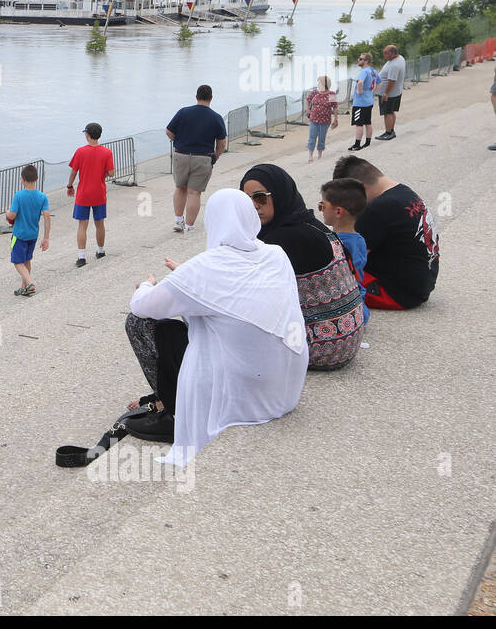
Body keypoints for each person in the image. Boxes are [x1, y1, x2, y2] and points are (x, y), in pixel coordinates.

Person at [122, 189, 307, 465]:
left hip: (247, 397)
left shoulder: (206, 267)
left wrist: (147, 286)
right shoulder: (276, 254)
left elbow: (143, 307)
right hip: (285, 389)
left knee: (138, 323)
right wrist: (185, 277)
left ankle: (174, 412)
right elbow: (240, 295)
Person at [239, 164, 364, 370]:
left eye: (260, 198)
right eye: (245, 200)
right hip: (347, 335)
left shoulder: (284, 238)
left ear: (279, 195)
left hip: (324, 345)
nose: (254, 206)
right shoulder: (308, 222)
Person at [331, 155, 439, 309]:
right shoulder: (404, 192)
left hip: (397, 293)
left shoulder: (378, 208)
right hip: (422, 282)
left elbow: (345, 258)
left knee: (324, 281)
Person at [166, 84, 227, 233]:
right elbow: (222, 143)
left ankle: (178, 220)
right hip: (203, 158)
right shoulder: (216, 117)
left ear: (196, 96)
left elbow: (168, 131)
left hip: (181, 154)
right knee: (194, 192)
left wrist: (179, 142)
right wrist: (215, 157)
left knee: (180, 187)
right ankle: (189, 226)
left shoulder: (183, 112)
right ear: (211, 98)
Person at [319, 178, 370, 324]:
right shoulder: (359, 240)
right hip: (360, 305)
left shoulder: (336, 245)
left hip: (345, 311)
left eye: (322, 206)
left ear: (338, 211)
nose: (321, 210)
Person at [67, 122, 115, 268]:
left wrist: (70, 186)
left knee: (83, 225)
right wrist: (102, 173)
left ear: (87, 134)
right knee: (99, 223)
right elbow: (111, 173)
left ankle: (82, 257)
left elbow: (74, 171)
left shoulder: (80, 151)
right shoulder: (107, 152)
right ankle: (100, 251)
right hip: (99, 193)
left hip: (83, 194)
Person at [6, 164, 50, 296]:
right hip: (33, 235)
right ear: (37, 178)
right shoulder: (42, 197)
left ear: (22, 179)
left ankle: (30, 283)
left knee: (17, 262)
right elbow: (47, 217)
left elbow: (12, 216)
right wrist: (46, 237)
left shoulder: (18, 196)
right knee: (27, 260)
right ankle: (23, 287)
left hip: (19, 235)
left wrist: (7, 212)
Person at [374, 44, 406, 141]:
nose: (384, 54)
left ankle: (388, 133)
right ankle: (391, 130)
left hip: (389, 94)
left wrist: (386, 93)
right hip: (396, 92)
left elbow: (392, 80)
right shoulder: (400, 58)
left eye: (386, 53)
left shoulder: (394, 65)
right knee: (391, 111)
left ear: (393, 54)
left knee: (387, 113)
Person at [304, 75, 339, 163]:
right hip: (313, 119)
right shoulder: (315, 92)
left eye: (319, 83)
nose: (318, 85)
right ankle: (310, 155)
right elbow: (307, 100)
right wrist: (307, 109)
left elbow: (335, 107)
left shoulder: (331, 94)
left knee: (321, 138)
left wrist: (335, 119)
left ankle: (319, 155)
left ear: (325, 84)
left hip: (325, 121)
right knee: (312, 137)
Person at [349, 53, 379, 151]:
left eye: (360, 59)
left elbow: (360, 82)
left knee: (359, 124)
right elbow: (380, 82)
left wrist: (360, 91)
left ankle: (357, 144)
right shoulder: (373, 71)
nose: (358, 60)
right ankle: (367, 142)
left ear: (366, 61)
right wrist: (373, 92)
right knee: (368, 122)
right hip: (369, 101)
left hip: (360, 103)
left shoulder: (364, 71)